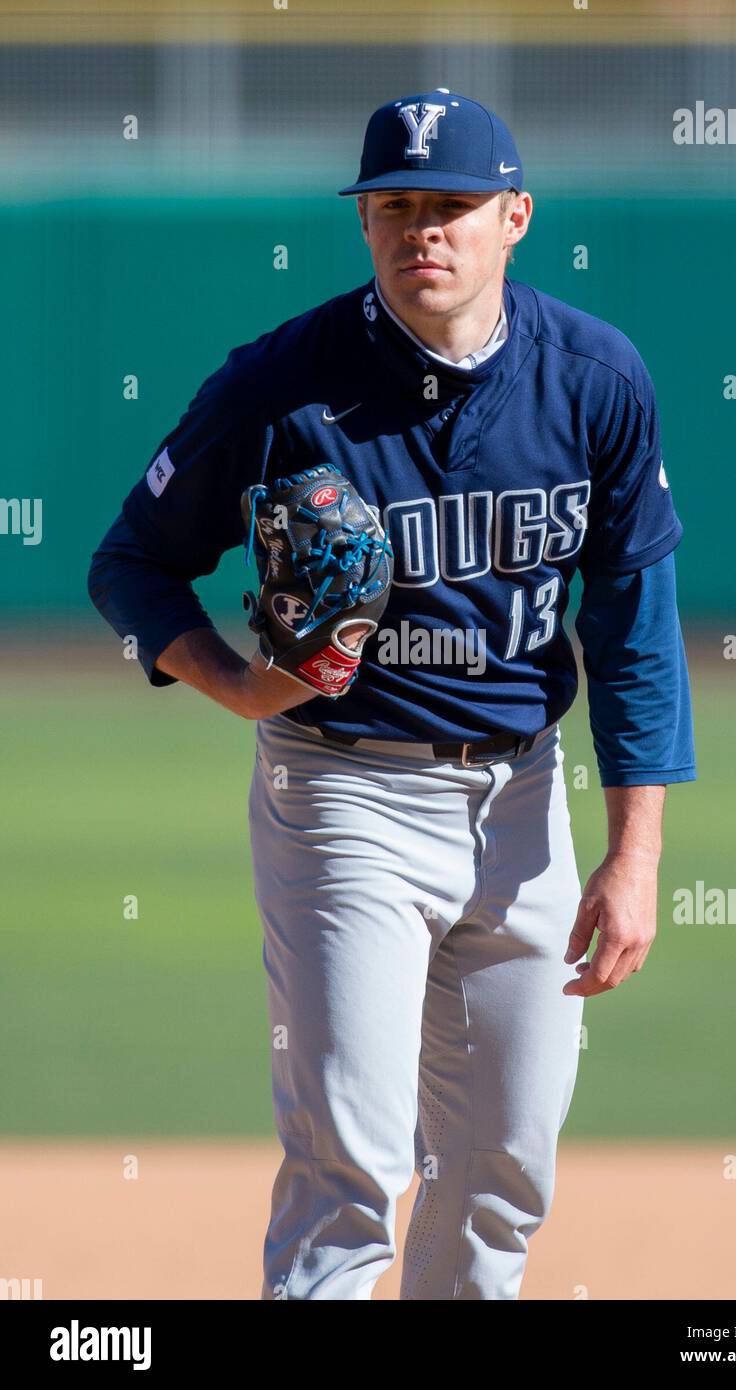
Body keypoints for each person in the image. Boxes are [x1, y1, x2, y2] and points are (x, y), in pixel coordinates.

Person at [88, 88, 696, 1301]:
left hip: (523, 798)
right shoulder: (279, 384)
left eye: (453, 206)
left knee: (500, 1173)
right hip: (341, 790)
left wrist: (635, 854)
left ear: (514, 216)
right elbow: (130, 560)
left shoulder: (594, 379)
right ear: (366, 227)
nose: (425, 229)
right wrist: (234, 685)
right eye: (396, 207)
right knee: (350, 1166)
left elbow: (634, 626)